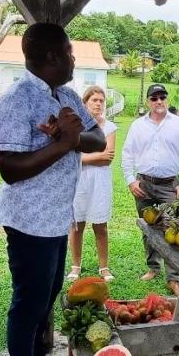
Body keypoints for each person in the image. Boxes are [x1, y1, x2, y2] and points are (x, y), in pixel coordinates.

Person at [0, 23, 106, 356]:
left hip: (59, 217)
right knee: (28, 303)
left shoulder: (68, 96)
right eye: (71, 52)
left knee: (48, 296)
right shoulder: (15, 102)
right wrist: (62, 142)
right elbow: (9, 168)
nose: (75, 59)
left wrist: (71, 137)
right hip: (29, 221)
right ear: (53, 56)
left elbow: (97, 140)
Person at [121, 84, 179, 294]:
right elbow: (127, 153)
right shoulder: (138, 125)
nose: (159, 102)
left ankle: (174, 278)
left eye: (162, 97)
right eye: (154, 98)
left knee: (172, 230)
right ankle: (152, 267)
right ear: (148, 101)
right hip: (143, 184)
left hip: (169, 187)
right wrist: (130, 180)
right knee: (148, 229)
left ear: (167, 99)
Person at [68, 86, 118, 283]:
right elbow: (71, 157)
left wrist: (83, 156)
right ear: (85, 103)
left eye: (101, 101)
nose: (98, 104)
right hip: (80, 181)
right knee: (76, 226)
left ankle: (104, 267)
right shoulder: (76, 128)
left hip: (100, 181)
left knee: (100, 226)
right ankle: (75, 266)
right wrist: (91, 156)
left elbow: (108, 158)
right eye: (94, 100)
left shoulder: (110, 128)